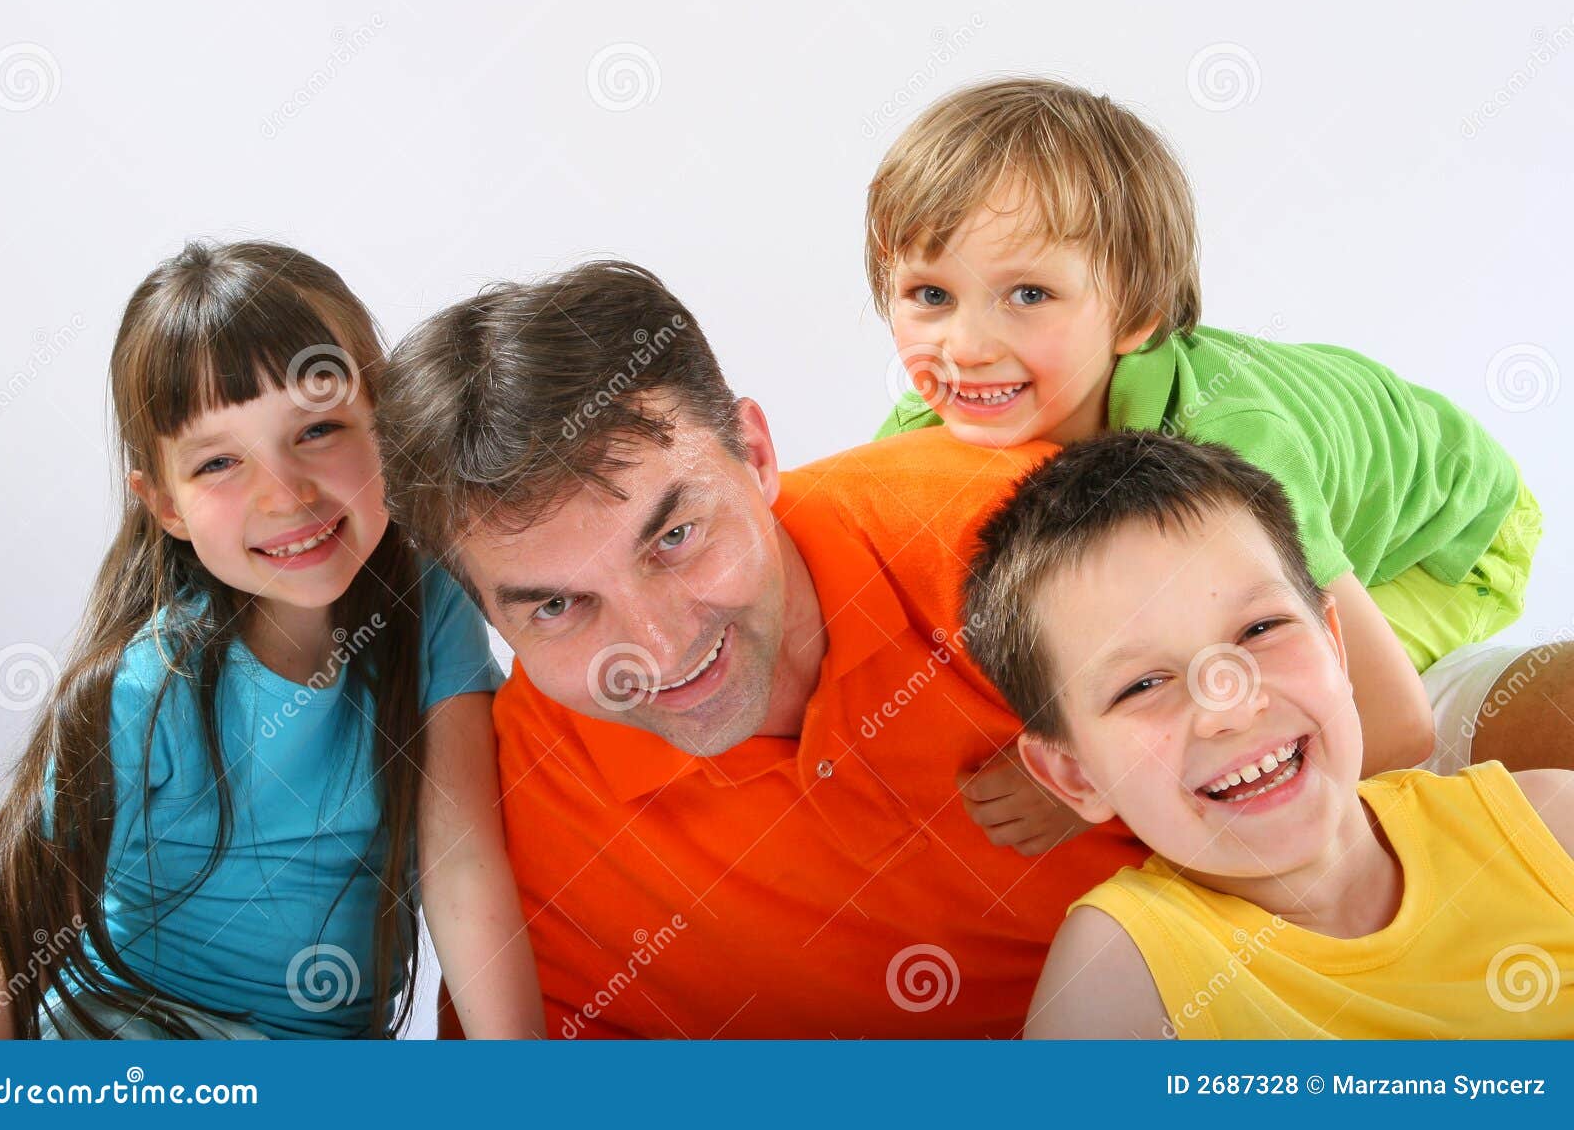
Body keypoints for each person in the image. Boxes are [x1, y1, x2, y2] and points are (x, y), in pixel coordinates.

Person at [370, 260, 1442, 1038]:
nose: (653, 646)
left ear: (756, 451)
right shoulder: (523, 825)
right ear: (488, 615)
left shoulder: (1019, 541)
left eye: (677, 535)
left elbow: (1356, 744)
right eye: (558, 606)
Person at [867, 76, 1560, 776]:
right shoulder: (920, 434)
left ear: (1136, 315)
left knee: (1276, 717)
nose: (966, 347)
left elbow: (1395, 722)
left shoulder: (1231, 448)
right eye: (931, 294)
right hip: (1322, 428)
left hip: (1451, 539)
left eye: (1029, 294)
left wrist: (1086, 789)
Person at [0, 242, 541, 1039]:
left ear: (387, 425)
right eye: (218, 462)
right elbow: (11, 925)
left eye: (318, 428)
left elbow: (463, 867)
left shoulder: (430, 608)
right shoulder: (147, 685)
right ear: (164, 504)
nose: (285, 494)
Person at [957, 429, 1574, 1038]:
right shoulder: (1118, 974)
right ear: (1075, 776)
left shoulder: (1547, 825)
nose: (1227, 704)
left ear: (1334, 645)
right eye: (1142, 685)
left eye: (1259, 630)